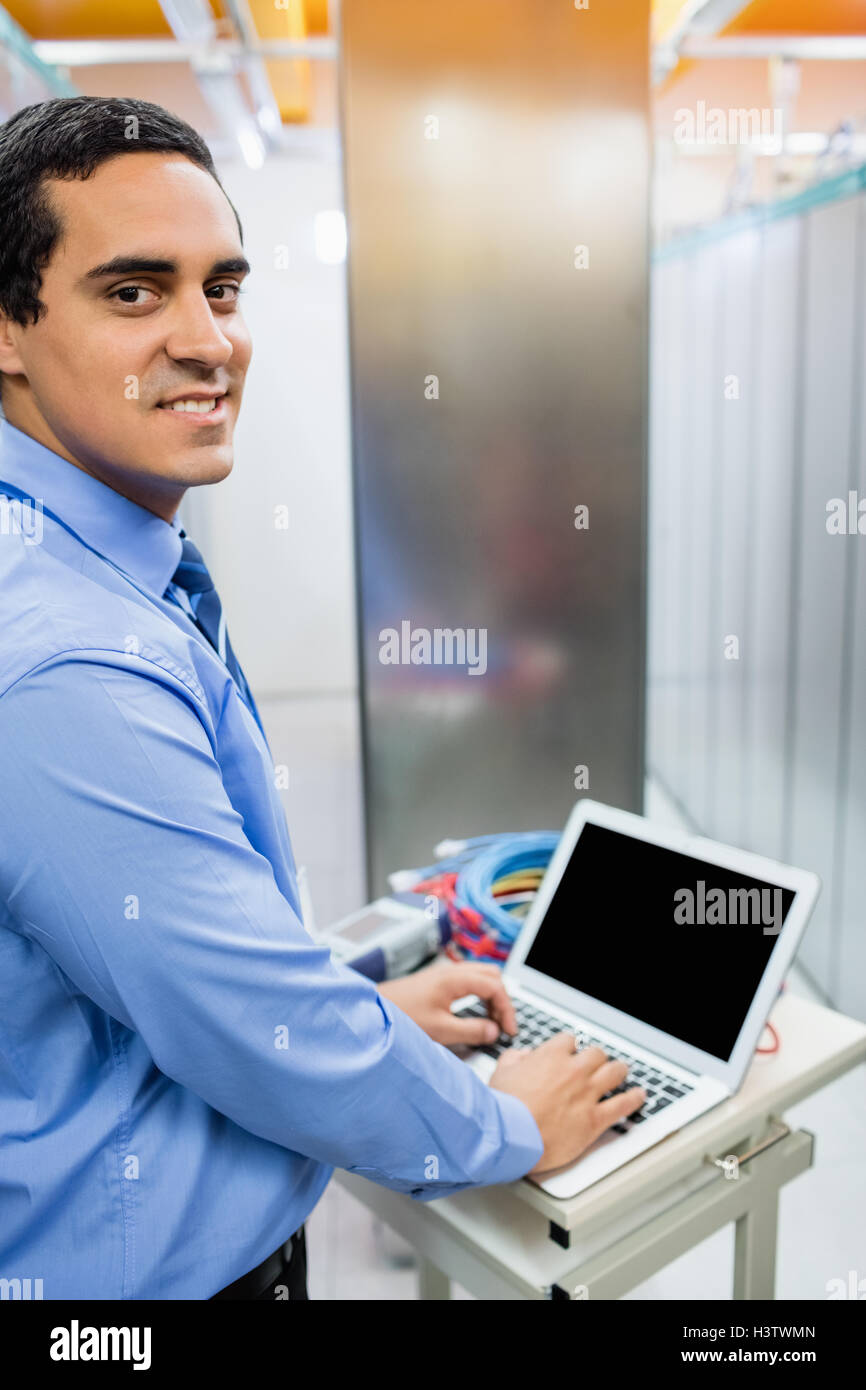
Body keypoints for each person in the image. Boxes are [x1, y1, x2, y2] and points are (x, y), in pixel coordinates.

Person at [0, 96, 645, 1300]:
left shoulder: (84, 561)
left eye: (223, 288)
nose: (208, 341)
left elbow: (159, 958)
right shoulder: (62, 663)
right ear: (10, 328)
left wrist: (358, 1003)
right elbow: (232, 1015)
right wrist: (501, 1121)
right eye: (134, 292)